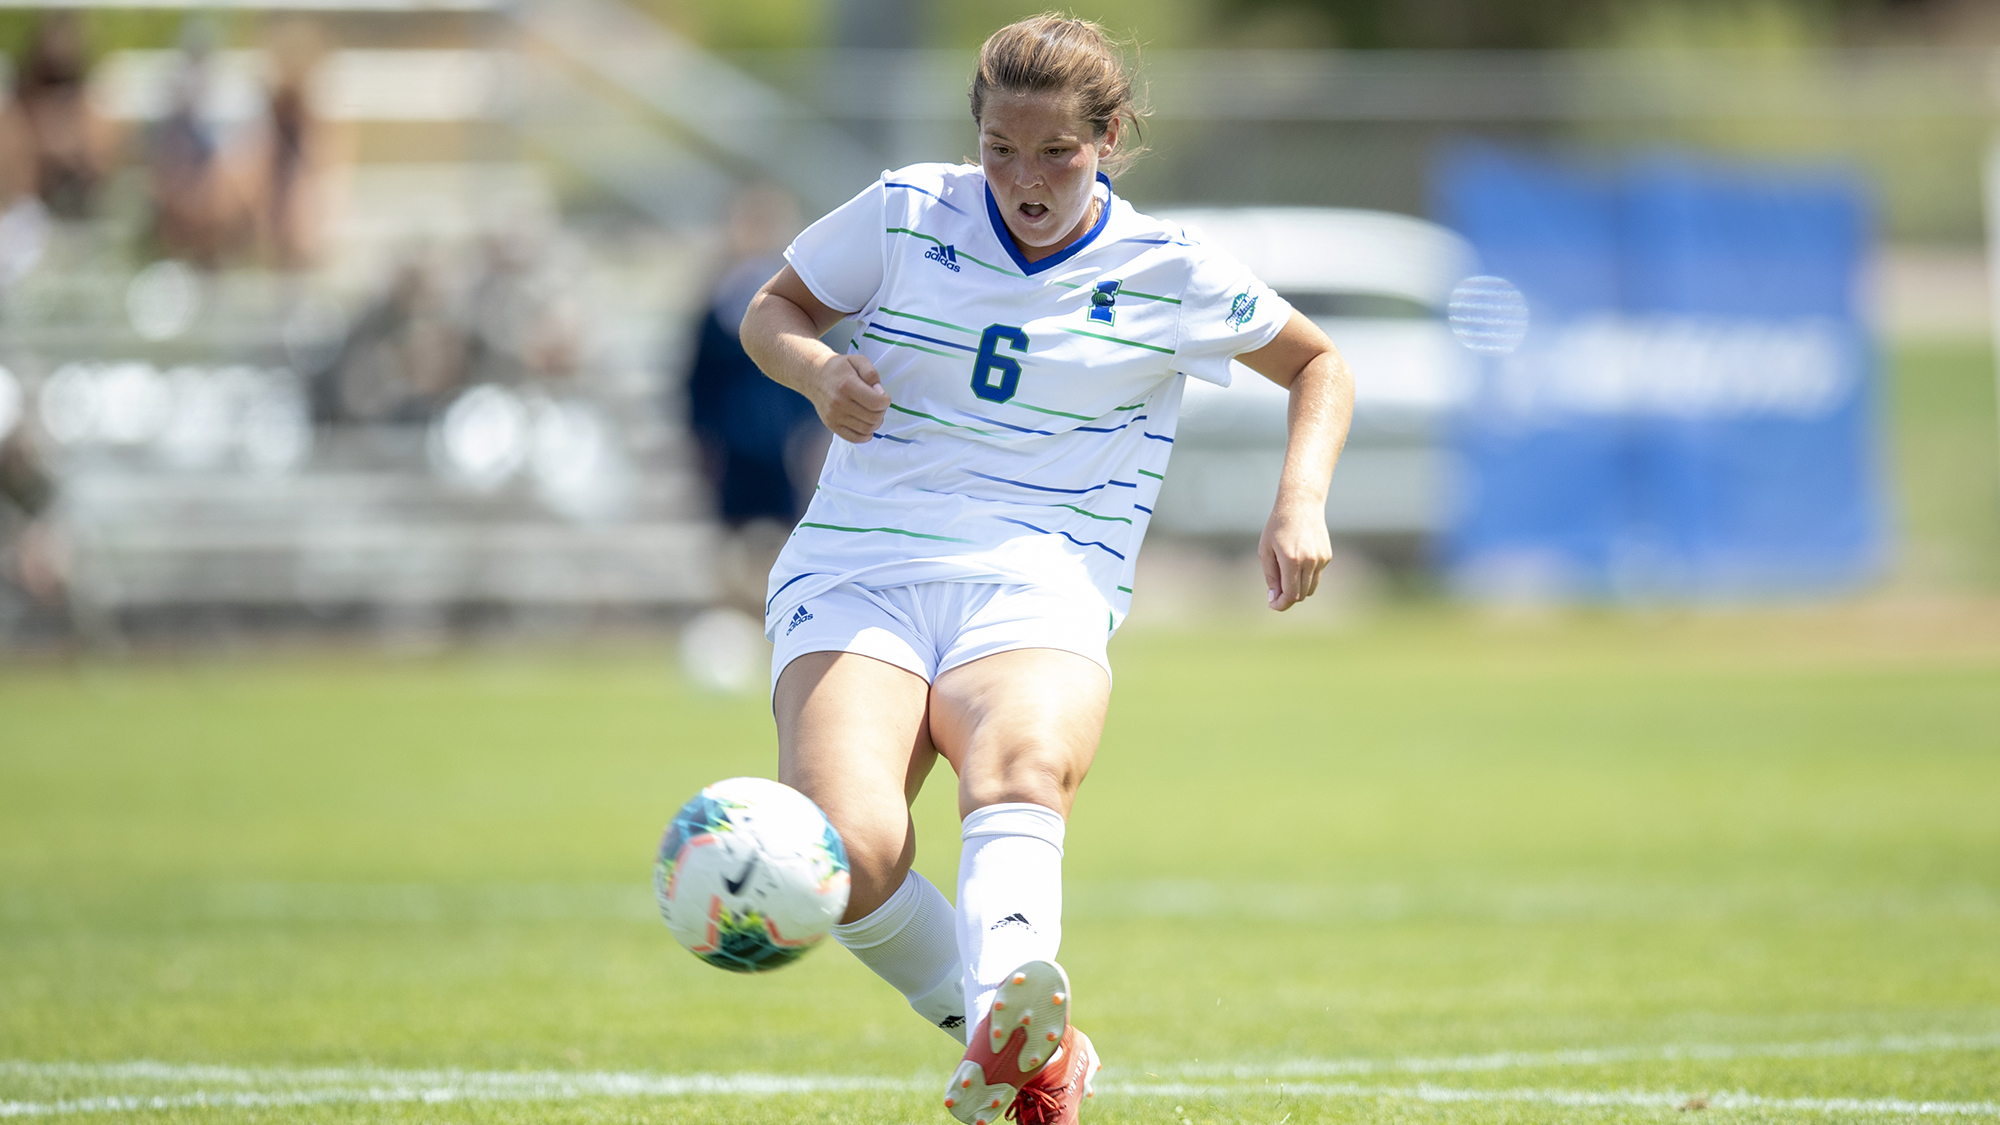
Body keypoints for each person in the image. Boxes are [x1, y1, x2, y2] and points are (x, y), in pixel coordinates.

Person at [739, 15, 1353, 1124]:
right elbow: (770, 310)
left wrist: (1298, 501)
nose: (1024, 181)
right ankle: (1029, 1047)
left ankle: (1017, 1059)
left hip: (1040, 574)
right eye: (1001, 152)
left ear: (1108, 138)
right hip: (858, 569)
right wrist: (817, 370)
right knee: (849, 851)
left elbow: (1318, 365)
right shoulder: (904, 210)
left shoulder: (1167, 269)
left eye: (1055, 153)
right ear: (973, 138)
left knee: (1020, 768)